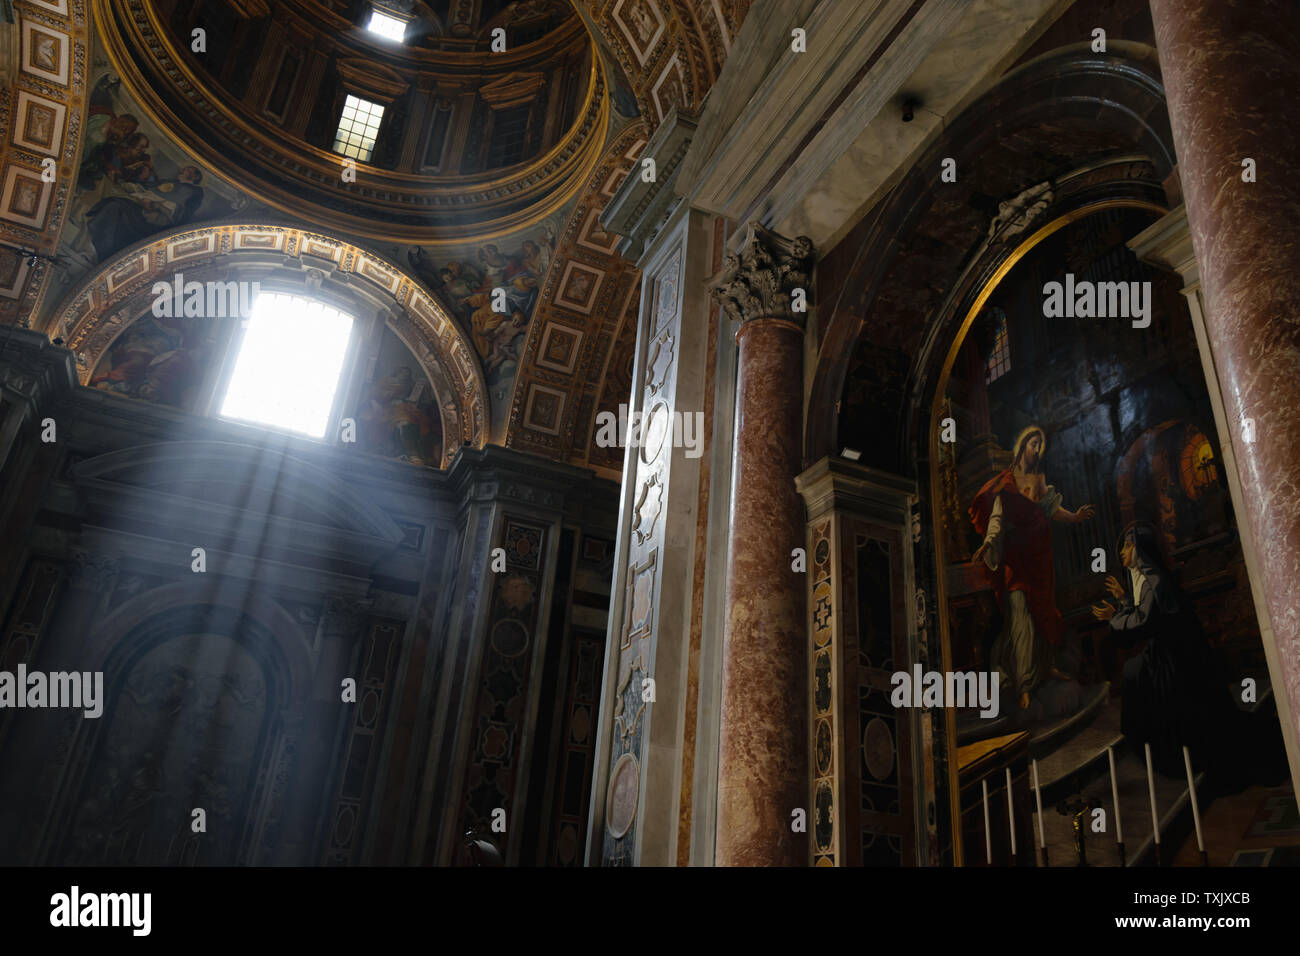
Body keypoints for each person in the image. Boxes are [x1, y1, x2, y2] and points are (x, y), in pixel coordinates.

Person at [970, 425, 1096, 711]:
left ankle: (1045, 667)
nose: (1037, 448)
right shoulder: (1007, 480)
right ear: (1023, 444)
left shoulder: (1039, 478)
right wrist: (990, 542)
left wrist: (1075, 517)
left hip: (1039, 556)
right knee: (1020, 619)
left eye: (1041, 444)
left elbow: (1050, 510)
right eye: (1033, 442)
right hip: (1016, 559)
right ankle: (1024, 684)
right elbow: (997, 519)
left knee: (1043, 611)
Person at [1092, 521, 1225, 776]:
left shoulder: (1156, 581)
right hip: (1163, 653)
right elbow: (1143, 615)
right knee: (1133, 671)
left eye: (1128, 547)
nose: (1122, 552)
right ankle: (1153, 750)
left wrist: (1113, 617)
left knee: (1134, 674)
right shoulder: (1148, 579)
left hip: (1174, 660)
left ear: (1141, 550)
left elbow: (1143, 623)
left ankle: (1164, 755)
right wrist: (1122, 601)